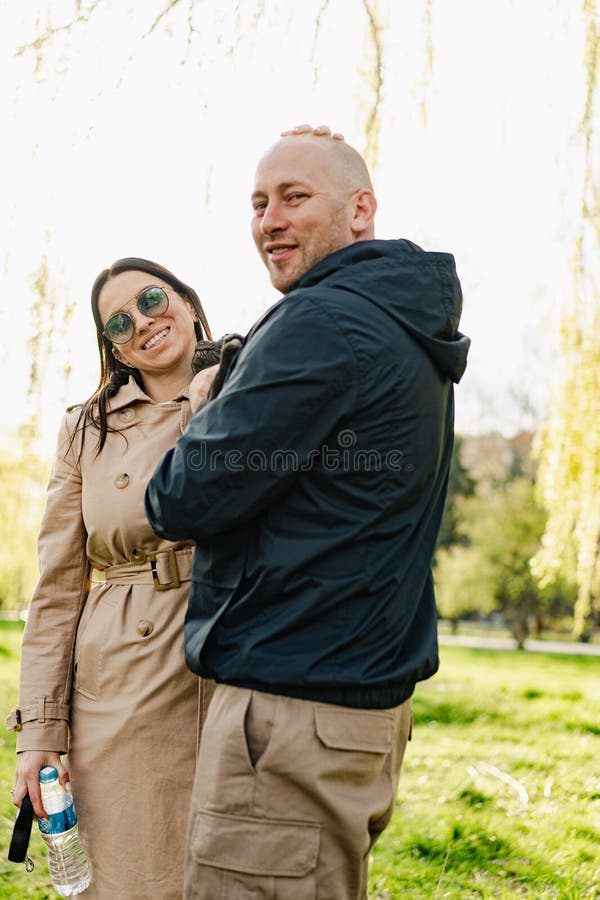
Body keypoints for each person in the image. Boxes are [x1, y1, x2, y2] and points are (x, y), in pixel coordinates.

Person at [145, 126, 471, 899]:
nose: (269, 220)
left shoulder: (323, 323)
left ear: (361, 210)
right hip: (353, 713)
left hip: (290, 716)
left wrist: (202, 403)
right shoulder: (403, 322)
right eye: (258, 203)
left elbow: (182, 496)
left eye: (295, 197)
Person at [7, 258, 220, 899]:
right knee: (139, 877)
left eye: (153, 298)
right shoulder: (86, 428)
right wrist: (39, 735)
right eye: (120, 322)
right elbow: (57, 589)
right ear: (113, 347)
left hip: (240, 650)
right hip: (126, 677)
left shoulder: (255, 382)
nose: (144, 322)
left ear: (184, 297)